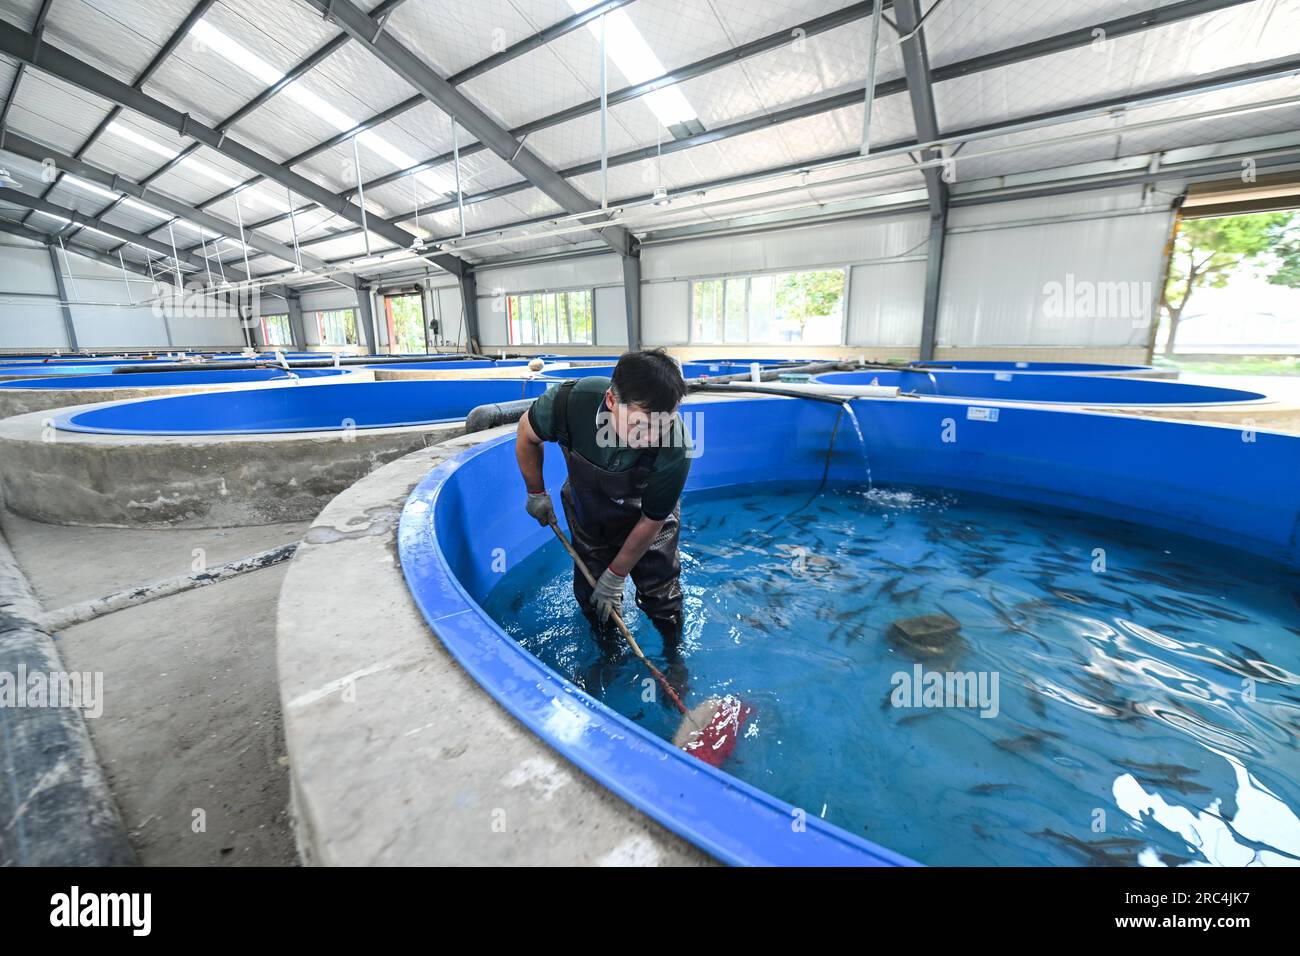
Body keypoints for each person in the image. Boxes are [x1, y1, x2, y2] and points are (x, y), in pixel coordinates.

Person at [516, 349, 692, 694]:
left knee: (662, 593)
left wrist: (618, 573)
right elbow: (526, 434)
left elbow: (653, 518)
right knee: (591, 593)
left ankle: (674, 660)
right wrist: (535, 491)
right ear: (612, 400)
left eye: (663, 426)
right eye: (640, 426)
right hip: (589, 509)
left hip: (647, 521)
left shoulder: (676, 445)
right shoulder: (569, 402)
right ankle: (611, 655)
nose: (652, 438)